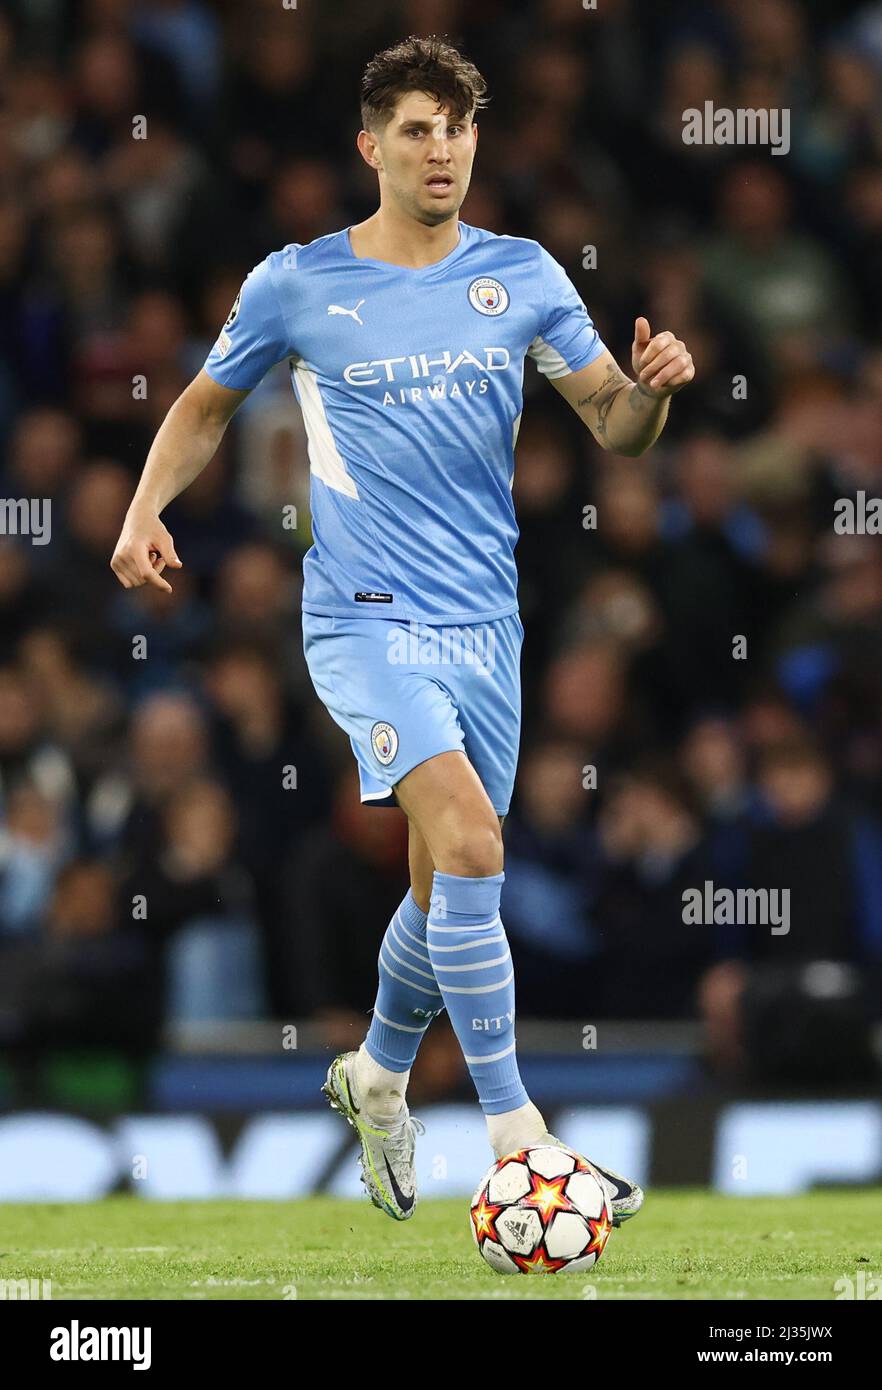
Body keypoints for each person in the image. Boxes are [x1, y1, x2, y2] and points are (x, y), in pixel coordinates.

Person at [110, 35, 694, 1224]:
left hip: (491, 627)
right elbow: (203, 405)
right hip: (367, 618)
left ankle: (375, 1074)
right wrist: (141, 511)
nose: (442, 150)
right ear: (370, 146)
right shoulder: (296, 282)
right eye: (418, 130)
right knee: (476, 846)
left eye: (459, 128)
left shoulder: (525, 273)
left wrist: (656, 393)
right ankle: (524, 1141)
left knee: (443, 893)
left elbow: (614, 429)